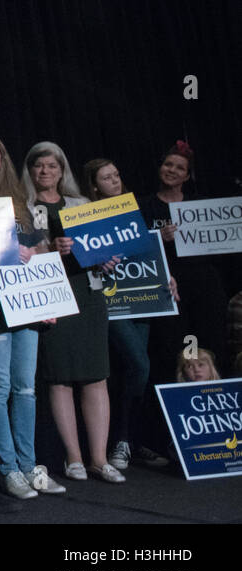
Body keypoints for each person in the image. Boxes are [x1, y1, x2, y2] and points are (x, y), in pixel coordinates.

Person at [0, 130, 62, 499]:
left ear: (2, 158)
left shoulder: (18, 200)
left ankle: (28, 464)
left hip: (26, 302)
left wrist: (39, 272)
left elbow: (41, 249)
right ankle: (7, 470)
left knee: (25, 388)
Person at [23, 141, 124, 484]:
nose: (45, 172)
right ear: (30, 170)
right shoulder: (21, 207)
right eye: (39, 166)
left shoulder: (83, 205)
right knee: (60, 378)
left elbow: (106, 248)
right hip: (51, 296)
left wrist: (107, 258)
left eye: (52, 166)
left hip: (88, 294)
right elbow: (17, 259)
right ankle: (74, 458)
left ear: (62, 170)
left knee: (96, 376)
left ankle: (99, 458)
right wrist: (50, 250)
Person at [82, 158, 170, 470]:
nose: (115, 181)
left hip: (144, 299)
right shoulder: (87, 216)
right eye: (106, 178)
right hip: (112, 302)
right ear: (94, 186)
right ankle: (121, 439)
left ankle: (130, 441)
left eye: (117, 175)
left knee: (135, 372)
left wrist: (166, 278)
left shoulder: (136, 208)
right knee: (139, 364)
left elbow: (150, 252)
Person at [137, 142, 231, 379]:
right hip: (167, 286)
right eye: (168, 164)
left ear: (187, 176)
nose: (172, 170)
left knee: (211, 341)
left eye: (179, 168)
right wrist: (160, 237)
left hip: (204, 284)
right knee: (171, 345)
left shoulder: (201, 205)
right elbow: (134, 249)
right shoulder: (144, 207)